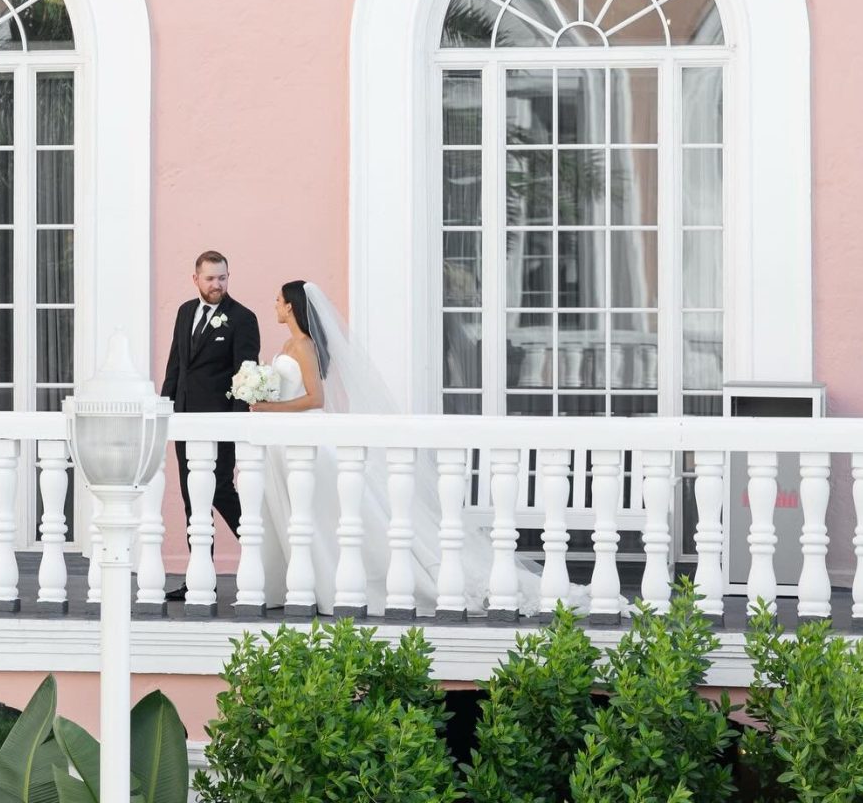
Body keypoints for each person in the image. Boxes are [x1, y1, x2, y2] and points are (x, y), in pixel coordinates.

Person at [250, 279, 571, 617]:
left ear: (291, 307)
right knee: (305, 515)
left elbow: (315, 399)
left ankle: (351, 580)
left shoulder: (303, 346)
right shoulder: (288, 344)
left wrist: (270, 409)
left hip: (307, 437)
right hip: (285, 438)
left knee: (331, 516)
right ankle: (307, 582)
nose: (274, 305)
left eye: (278, 300)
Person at [159, 249, 261, 602]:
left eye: (222, 278)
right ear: (196, 279)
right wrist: (165, 409)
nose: (217, 285)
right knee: (192, 498)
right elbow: (176, 365)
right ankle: (199, 576)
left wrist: (232, 425)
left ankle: (260, 554)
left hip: (220, 423)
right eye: (210, 279)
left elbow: (245, 377)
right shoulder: (185, 312)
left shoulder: (243, 318)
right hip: (185, 420)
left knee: (220, 490)